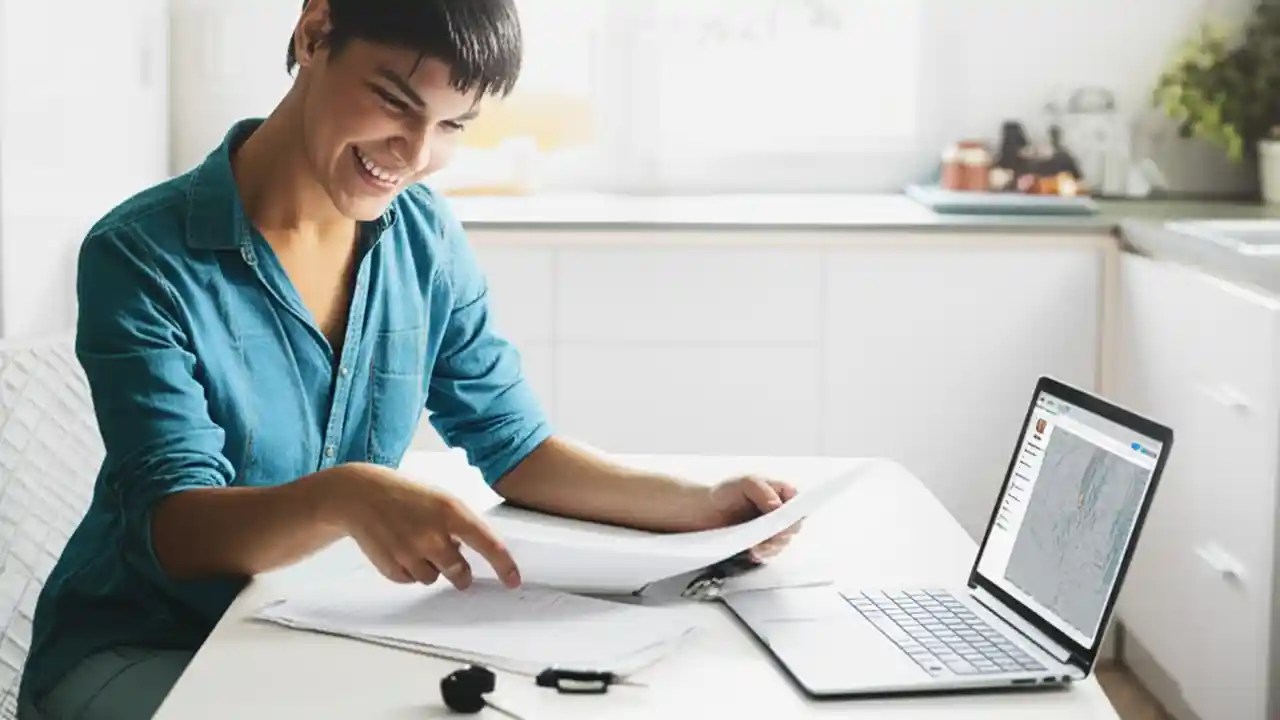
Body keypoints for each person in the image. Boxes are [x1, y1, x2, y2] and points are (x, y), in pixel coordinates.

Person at [18, 1, 800, 718]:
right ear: (315, 32)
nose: (417, 154)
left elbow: (517, 447)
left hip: (298, 638)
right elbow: (177, 531)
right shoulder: (140, 255)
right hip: (144, 651)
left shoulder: (421, 237)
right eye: (395, 101)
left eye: (454, 124)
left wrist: (702, 507)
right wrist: (345, 496)